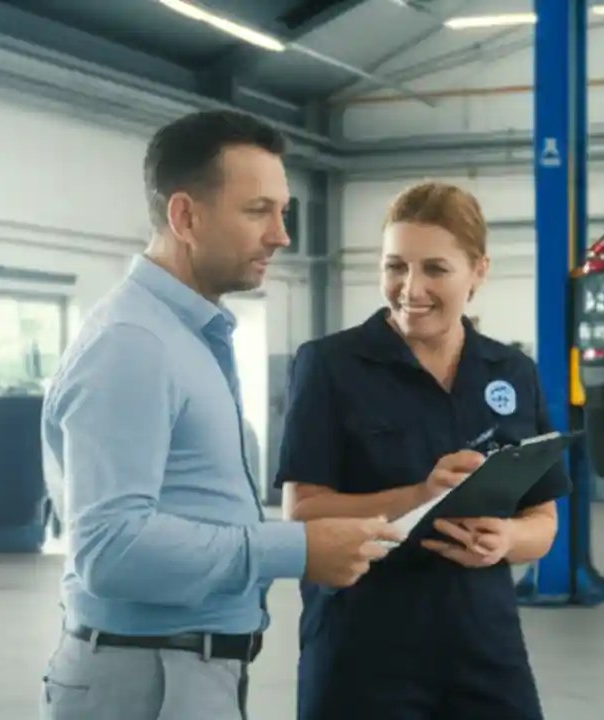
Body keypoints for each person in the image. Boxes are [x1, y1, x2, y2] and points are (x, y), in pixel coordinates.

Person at [38, 109, 400, 720]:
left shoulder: (187, 334)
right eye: (258, 211)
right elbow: (109, 549)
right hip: (148, 681)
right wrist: (294, 548)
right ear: (185, 217)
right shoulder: (133, 343)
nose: (281, 236)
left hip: (184, 670)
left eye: (282, 212)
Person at [277, 180, 572, 719]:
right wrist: (420, 494)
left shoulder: (512, 372)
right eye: (395, 266)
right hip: (362, 645)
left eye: (435, 269)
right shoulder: (330, 366)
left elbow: (543, 523)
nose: (411, 288)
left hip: (484, 644)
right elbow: (304, 510)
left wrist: (505, 539)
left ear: (478, 271)